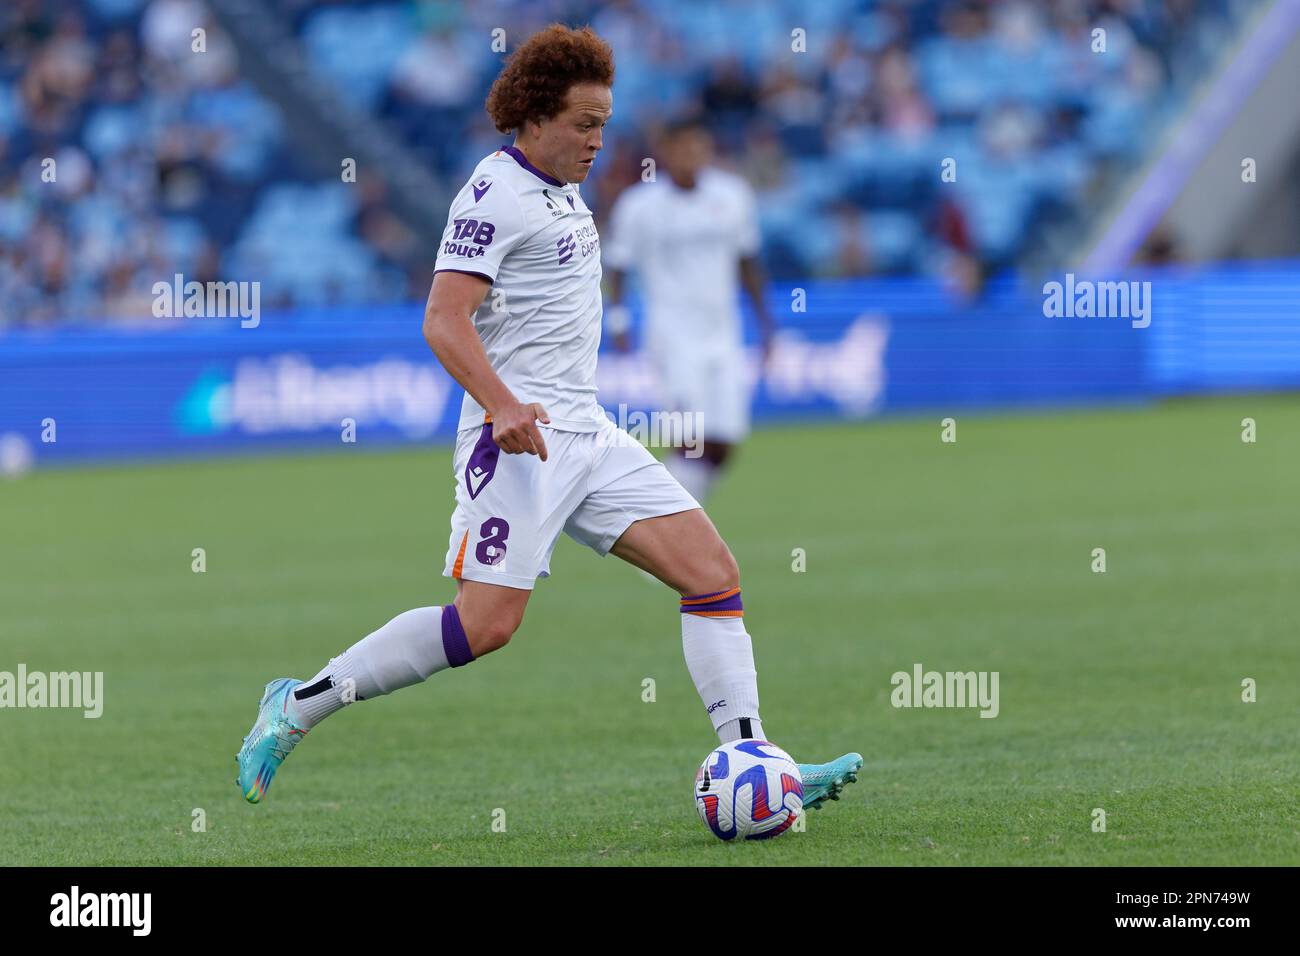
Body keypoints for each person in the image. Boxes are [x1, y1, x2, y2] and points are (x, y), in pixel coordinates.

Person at [236, 24, 860, 813]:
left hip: (587, 433)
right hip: (516, 442)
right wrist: (500, 405)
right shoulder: (493, 194)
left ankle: (755, 761)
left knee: (713, 578)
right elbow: (442, 319)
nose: (601, 140)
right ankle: (298, 704)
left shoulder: (561, 192)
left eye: (604, 123)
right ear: (534, 117)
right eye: (586, 124)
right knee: (484, 627)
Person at [604, 117, 777, 504]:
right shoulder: (639, 205)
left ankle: (660, 518)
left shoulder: (732, 195)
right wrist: (617, 319)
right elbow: (617, 264)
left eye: (698, 146)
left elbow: (747, 261)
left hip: (723, 331)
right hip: (672, 334)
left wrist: (766, 323)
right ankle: (668, 535)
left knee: (724, 441)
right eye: (681, 147)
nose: (690, 156)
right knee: (690, 437)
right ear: (664, 151)